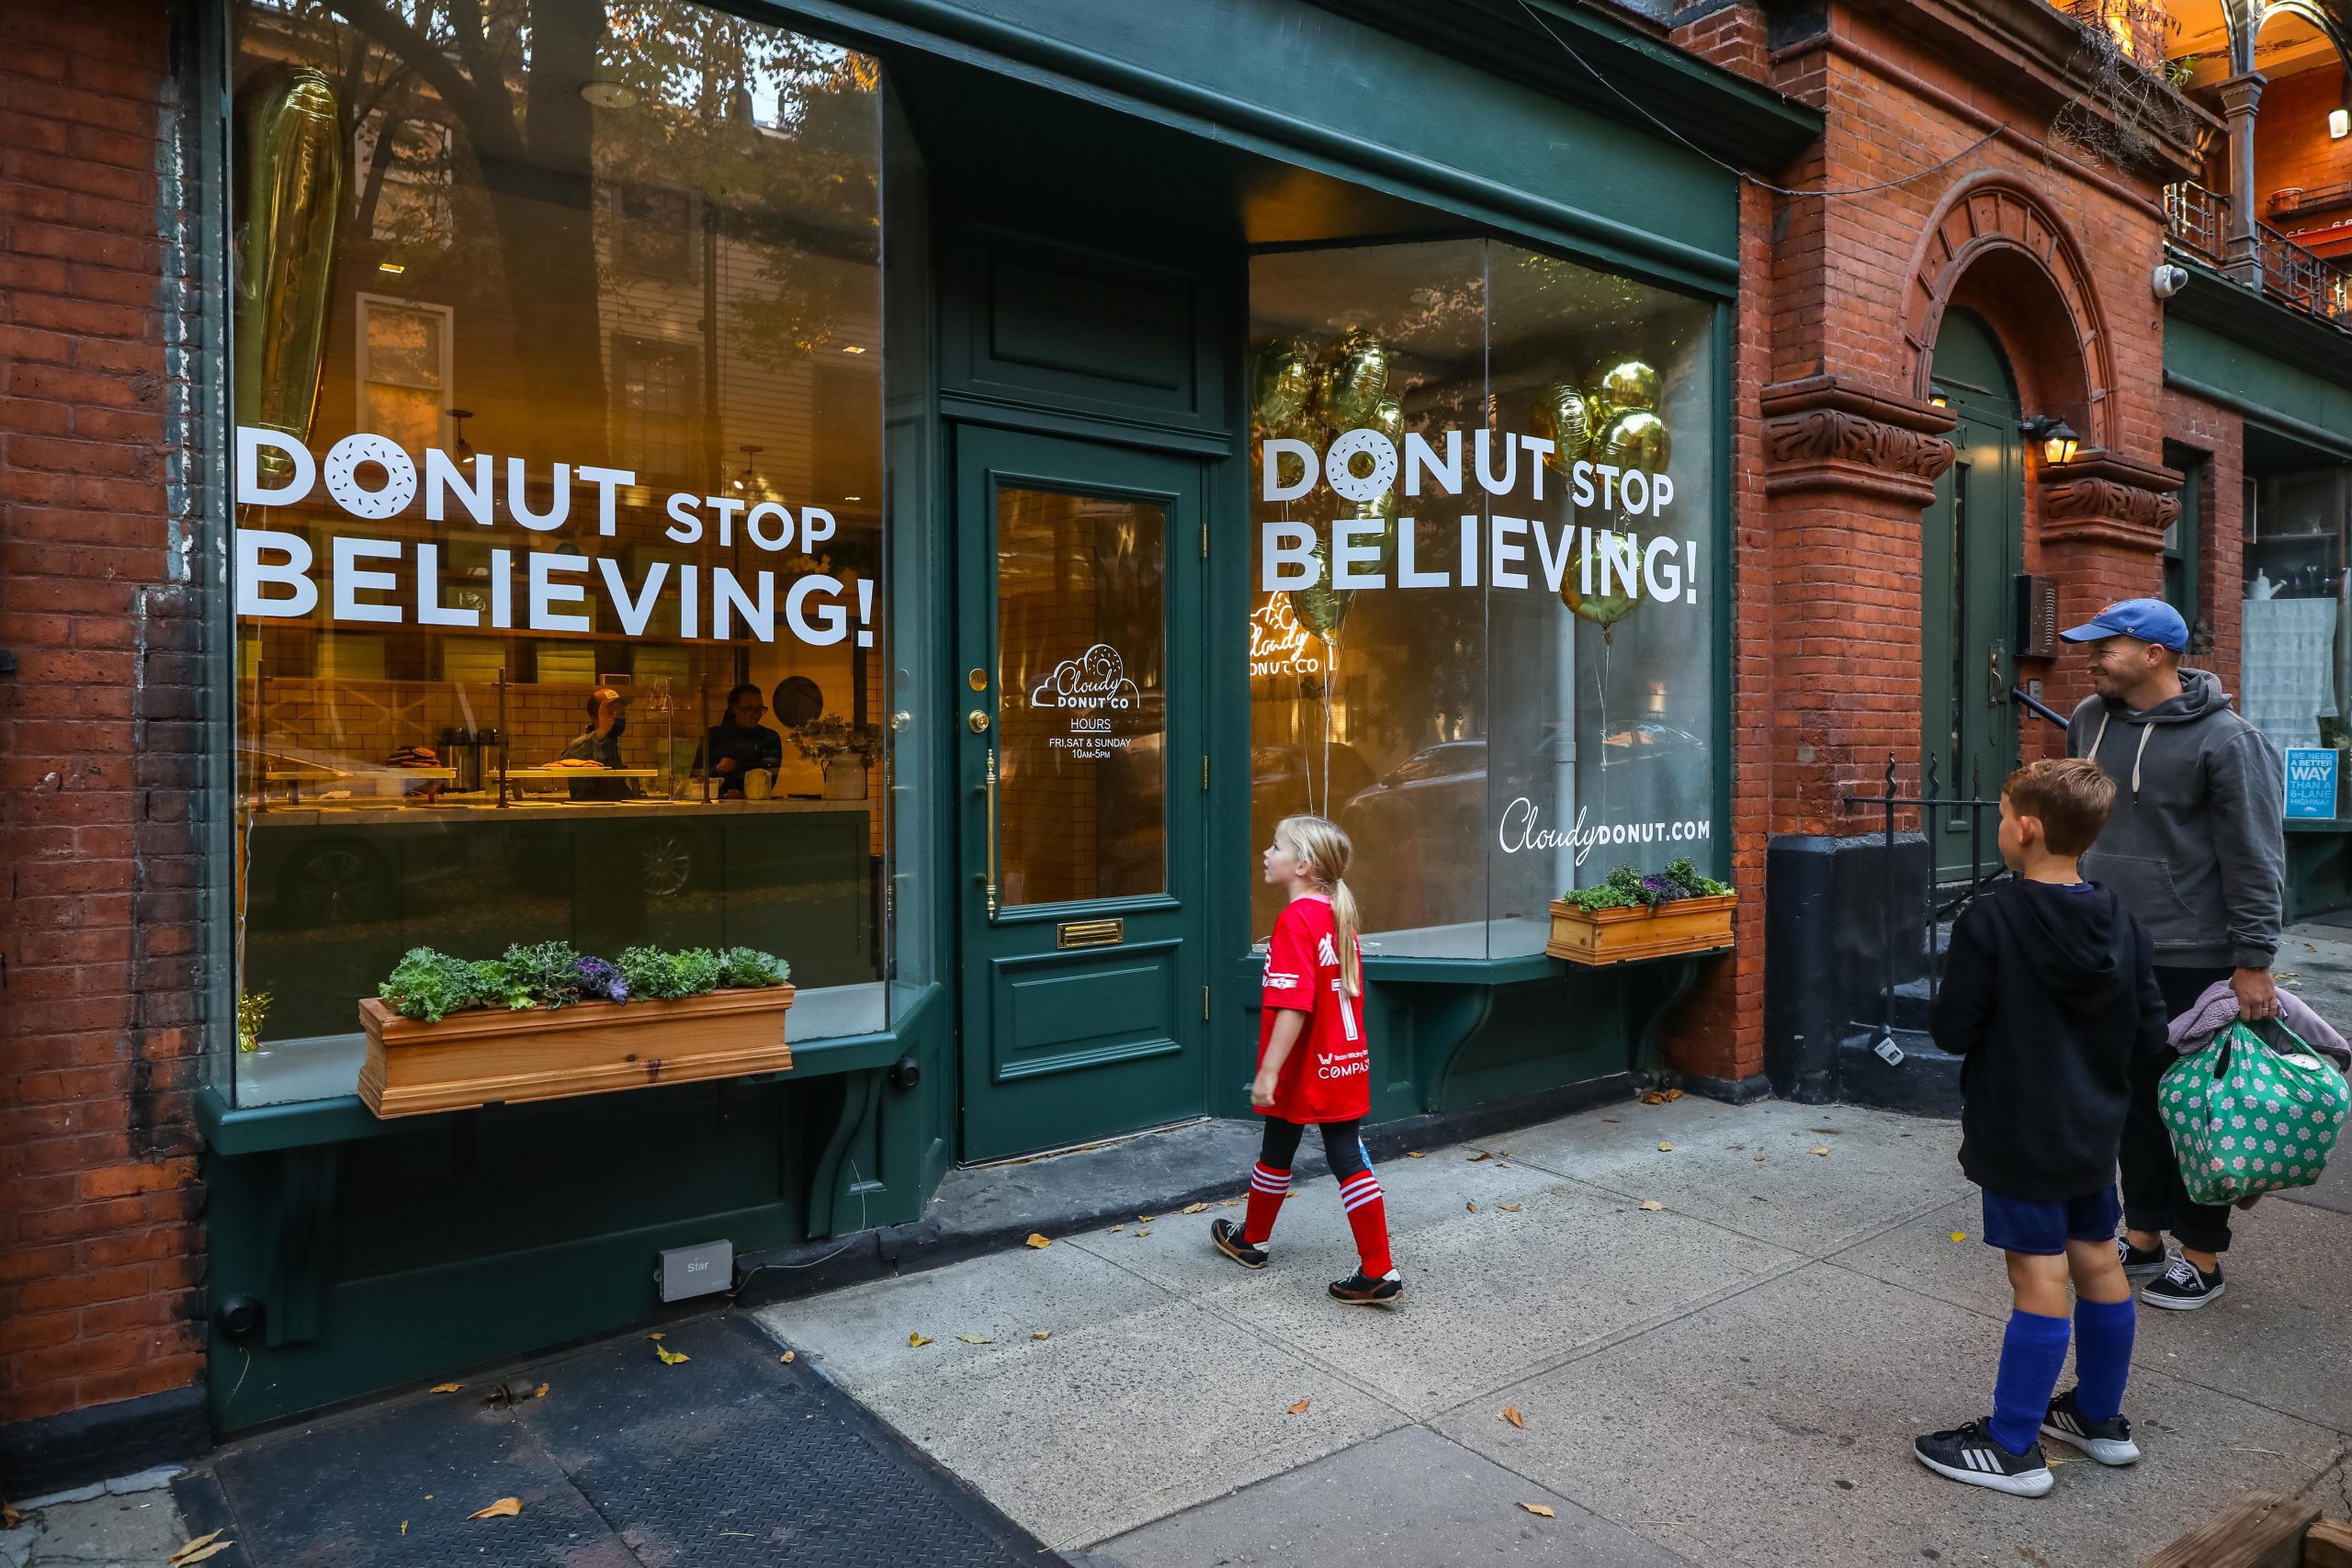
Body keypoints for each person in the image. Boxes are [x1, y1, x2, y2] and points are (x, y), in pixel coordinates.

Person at [1914, 758, 2166, 1497]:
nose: (1997, 826)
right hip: (2094, 1127)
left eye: (1999, 814)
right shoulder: (2121, 919)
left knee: (2038, 1275)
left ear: (2025, 829)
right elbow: (2151, 1032)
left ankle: (2013, 1442)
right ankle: (2099, 1416)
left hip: (2019, 1128)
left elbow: (1956, 1026)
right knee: (2097, 1258)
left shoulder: (1991, 918)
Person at [2062, 598, 2286, 1309]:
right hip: (2104, 941)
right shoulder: (2088, 721)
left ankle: (2202, 1255)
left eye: (2107, 645)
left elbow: (2253, 856)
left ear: (2155, 652)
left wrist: (2253, 958)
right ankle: (2146, 1233)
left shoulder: (2227, 739)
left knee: (2197, 1107)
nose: (2091, 656)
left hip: (2193, 953)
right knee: (2129, 1101)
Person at [1208, 815, 1402, 1306]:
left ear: (1305, 865)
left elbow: (1293, 1004)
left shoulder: (1295, 920)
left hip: (1304, 1061)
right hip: (1342, 1057)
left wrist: (1269, 1070)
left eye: (1276, 847)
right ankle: (1257, 1239)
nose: (1267, 854)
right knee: (1331, 1150)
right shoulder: (1336, 913)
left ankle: (1371, 1267)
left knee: (1298, 1146)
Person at [701, 682, 783, 798]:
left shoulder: (769, 738)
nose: (756, 714)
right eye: (749, 709)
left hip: (754, 805)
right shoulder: (714, 735)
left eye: (759, 709)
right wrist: (717, 769)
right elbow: (696, 777)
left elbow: (769, 780)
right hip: (714, 803)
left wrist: (745, 794)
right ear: (734, 709)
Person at [560, 687, 630, 801]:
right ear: (595, 718)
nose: (619, 717)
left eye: (622, 712)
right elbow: (563, 760)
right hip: (589, 814)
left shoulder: (612, 743)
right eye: (612, 713)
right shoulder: (579, 745)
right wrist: (600, 733)